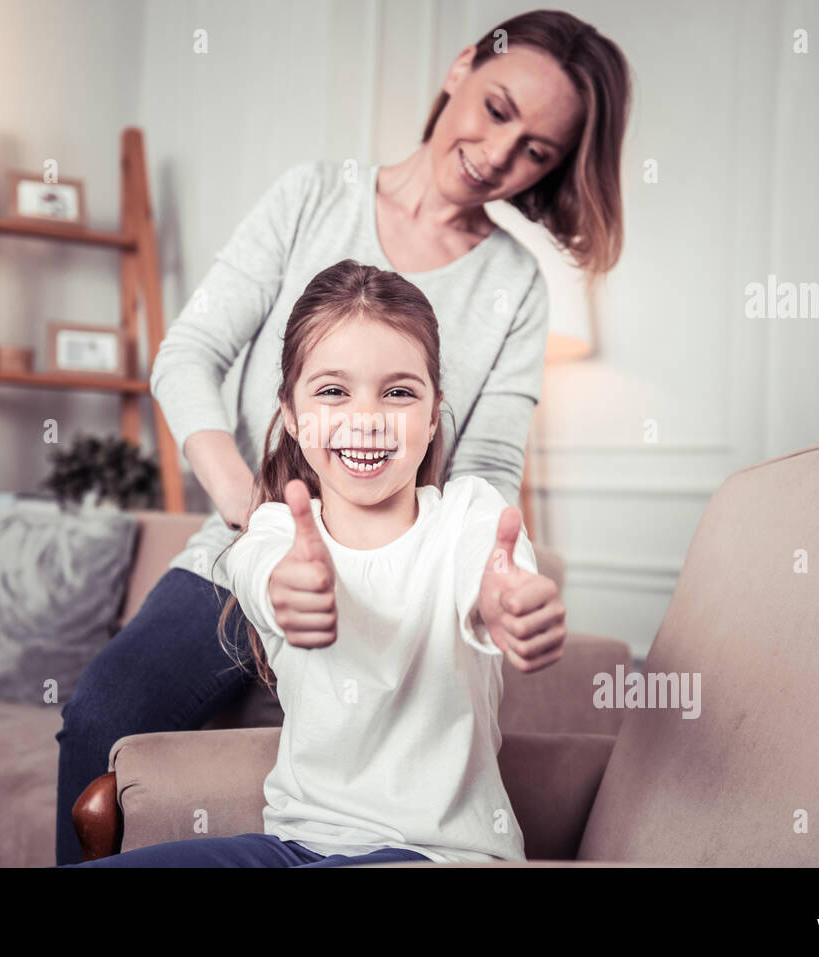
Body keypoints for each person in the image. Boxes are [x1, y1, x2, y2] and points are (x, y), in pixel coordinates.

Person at [54, 8, 630, 865]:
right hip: (253, 533)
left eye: (537, 151)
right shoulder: (310, 196)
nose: (500, 154)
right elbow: (189, 354)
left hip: (407, 569)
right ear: (462, 66)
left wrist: (492, 576)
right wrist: (256, 517)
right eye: (498, 108)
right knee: (102, 709)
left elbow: (489, 465)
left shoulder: (515, 283)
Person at [58, 260, 567, 867]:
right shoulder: (274, 530)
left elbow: (493, 581)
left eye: (399, 392)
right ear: (293, 417)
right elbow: (267, 576)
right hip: (296, 848)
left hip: (435, 854)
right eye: (332, 391)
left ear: (433, 417)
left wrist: (508, 605)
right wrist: (288, 590)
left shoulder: (470, 516)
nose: (367, 417)